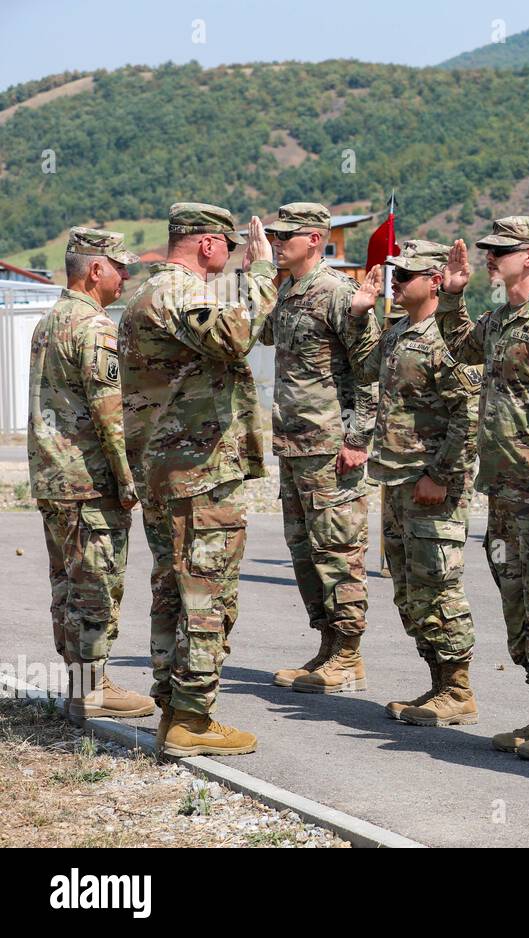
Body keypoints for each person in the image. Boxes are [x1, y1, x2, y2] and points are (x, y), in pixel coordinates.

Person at [120, 203, 275, 756]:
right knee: (207, 592)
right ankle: (193, 719)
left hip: (169, 469)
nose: (231, 258)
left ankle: (174, 711)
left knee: (174, 589)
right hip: (195, 472)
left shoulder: (146, 291)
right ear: (208, 244)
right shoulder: (178, 291)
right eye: (228, 248)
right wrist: (261, 272)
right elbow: (235, 335)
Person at [433, 216, 529, 760]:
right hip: (503, 490)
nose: (491, 258)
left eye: (501, 250)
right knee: (518, 601)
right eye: (489, 250)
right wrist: (451, 299)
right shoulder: (500, 319)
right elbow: (458, 349)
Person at [350, 241, 483, 726]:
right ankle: (439, 684)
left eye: (406, 276)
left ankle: (459, 689)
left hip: (431, 484)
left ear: (434, 281)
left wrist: (440, 475)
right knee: (409, 590)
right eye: (395, 275)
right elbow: (364, 369)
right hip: (397, 480)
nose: (397, 283)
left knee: (439, 585)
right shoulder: (397, 332)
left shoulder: (449, 341)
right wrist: (361, 316)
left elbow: (467, 415)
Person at [29, 227, 150, 721]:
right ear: (95, 269)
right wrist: (128, 481)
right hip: (87, 481)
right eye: (119, 267)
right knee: (97, 585)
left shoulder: (49, 321)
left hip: (54, 479)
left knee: (67, 584)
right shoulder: (95, 328)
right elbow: (109, 414)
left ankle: (83, 682)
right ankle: (92, 689)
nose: (125, 276)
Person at [260, 202, 380, 693]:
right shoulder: (289, 290)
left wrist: (357, 438)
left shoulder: (337, 292)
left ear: (313, 238)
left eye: (284, 236)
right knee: (305, 551)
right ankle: (329, 646)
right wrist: (264, 279)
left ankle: (349, 654)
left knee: (338, 550)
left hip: (331, 446)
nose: (275, 242)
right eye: (272, 235)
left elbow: (369, 373)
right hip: (295, 444)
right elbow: (262, 334)